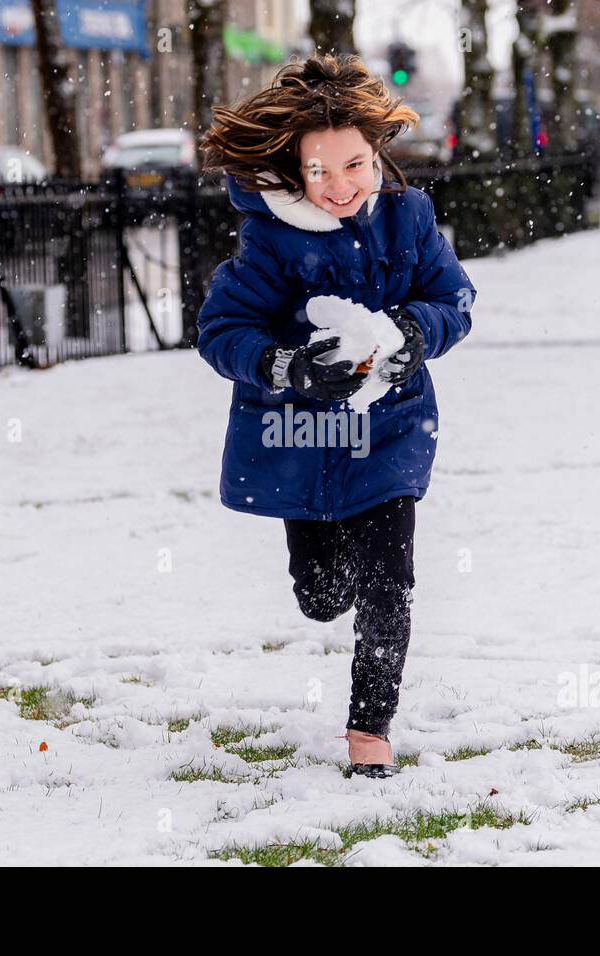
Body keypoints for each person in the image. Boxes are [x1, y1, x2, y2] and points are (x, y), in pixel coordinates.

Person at [196, 52, 477, 777]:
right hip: (304, 434)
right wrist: (287, 366)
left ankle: (369, 732)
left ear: (375, 152)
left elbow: (455, 301)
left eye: (353, 165)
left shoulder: (409, 218)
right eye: (320, 172)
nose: (340, 186)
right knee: (323, 597)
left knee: (393, 577)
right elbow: (222, 331)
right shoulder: (271, 239)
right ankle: (325, 580)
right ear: (295, 173)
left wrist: (415, 333)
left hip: (389, 426)